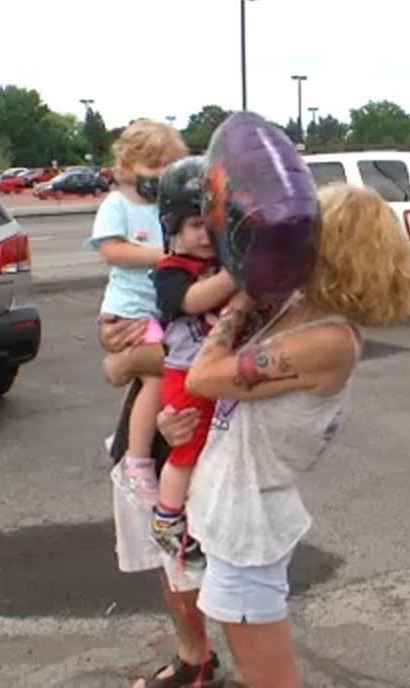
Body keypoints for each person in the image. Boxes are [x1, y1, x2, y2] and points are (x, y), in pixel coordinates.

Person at [157, 184, 410, 688]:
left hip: (249, 525)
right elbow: (208, 385)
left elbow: (203, 375)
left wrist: (240, 298)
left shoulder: (328, 339)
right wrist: (177, 423)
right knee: (253, 672)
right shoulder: (296, 306)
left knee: (269, 678)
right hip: (228, 509)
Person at [99, 320, 223, 688]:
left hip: (201, 437)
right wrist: (115, 342)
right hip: (157, 442)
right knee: (171, 562)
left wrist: (130, 360)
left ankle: (221, 667)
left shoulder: (230, 287)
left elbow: (209, 348)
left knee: (209, 568)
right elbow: (120, 325)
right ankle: (194, 658)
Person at [88, 119, 189, 506]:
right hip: (130, 312)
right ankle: (137, 459)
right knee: (160, 375)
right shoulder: (118, 205)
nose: (161, 175)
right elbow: (111, 250)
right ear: (128, 166)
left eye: (169, 166)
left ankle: (128, 434)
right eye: (154, 165)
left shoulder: (170, 207)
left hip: (160, 311)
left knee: (155, 374)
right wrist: (164, 257)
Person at [149, 158, 237, 568]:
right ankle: (167, 519)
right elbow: (192, 301)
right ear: (173, 228)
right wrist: (237, 276)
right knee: (186, 448)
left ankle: (201, 519)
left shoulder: (221, 265)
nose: (205, 235)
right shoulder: (171, 272)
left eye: (212, 225)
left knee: (216, 449)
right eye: (196, 225)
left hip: (220, 371)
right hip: (185, 374)